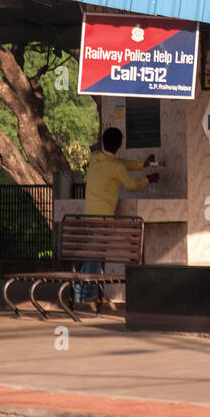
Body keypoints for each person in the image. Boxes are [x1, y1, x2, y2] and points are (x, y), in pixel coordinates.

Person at [76, 127, 158, 302]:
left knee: (91, 255)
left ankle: (80, 293)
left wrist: (142, 165)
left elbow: (120, 163)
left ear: (104, 142)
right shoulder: (115, 166)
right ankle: (88, 297)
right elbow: (132, 185)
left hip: (89, 215)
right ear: (120, 143)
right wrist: (147, 179)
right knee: (95, 257)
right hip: (103, 218)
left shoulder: (96, 158)